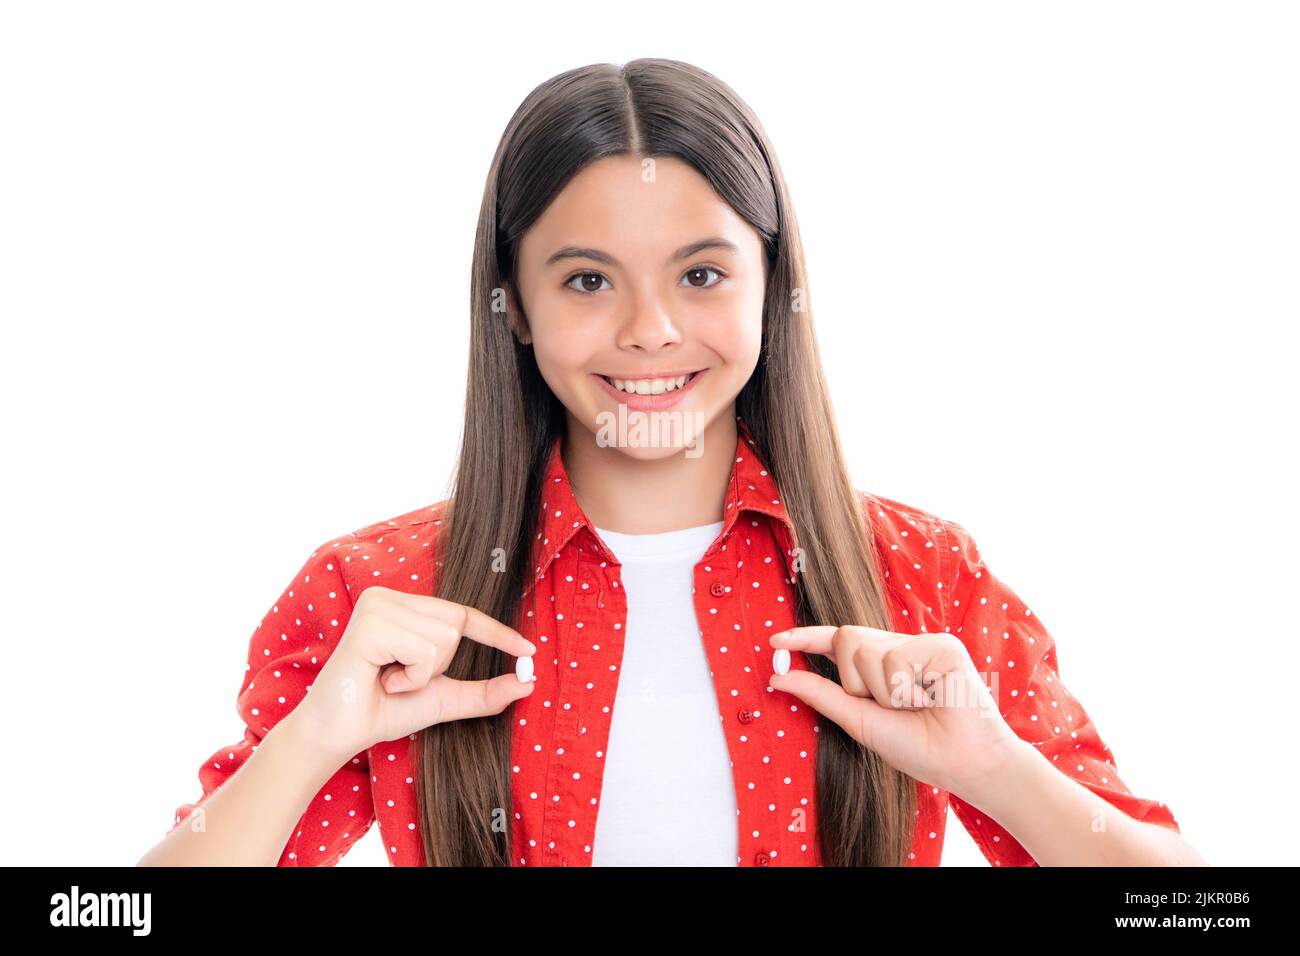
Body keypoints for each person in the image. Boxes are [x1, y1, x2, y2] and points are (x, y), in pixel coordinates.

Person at [138, 58, 1204, 867]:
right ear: (510, 305)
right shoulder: (378, 593)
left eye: (699, 272)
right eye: (588, 281)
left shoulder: (920, 577)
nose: (649, 331)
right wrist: (317, 734)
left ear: (769, 284)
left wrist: (990, 768)